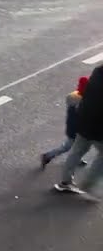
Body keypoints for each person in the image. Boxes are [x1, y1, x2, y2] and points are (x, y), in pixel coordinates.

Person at [54, 64, 103, 194]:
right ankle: (88, 187)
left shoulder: (98, 71)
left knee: (76, 151)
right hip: (99, 128)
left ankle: (65, 182)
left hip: (83, 121)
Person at [42, 76, 94, 169]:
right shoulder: (82, 102)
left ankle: (77, 159)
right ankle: (48, 156)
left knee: (78, 147)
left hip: (72, 128)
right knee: (67, 147)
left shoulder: (74, 96)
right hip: (76, 131)